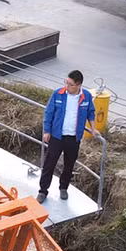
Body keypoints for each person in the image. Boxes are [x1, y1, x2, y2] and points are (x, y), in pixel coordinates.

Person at [38, 70, 96, 204]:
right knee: (49, 164)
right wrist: (47, 131)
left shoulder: (86, 96)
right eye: (66, 82)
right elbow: (49, 112)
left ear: (78, 85)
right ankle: (42, 191)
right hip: (57, 136)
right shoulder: (58, 93)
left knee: (69, 165)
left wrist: (93, 128)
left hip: (73, 138)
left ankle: (63, 187)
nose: (66, 86)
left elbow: (91, 112)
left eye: (70, 84)